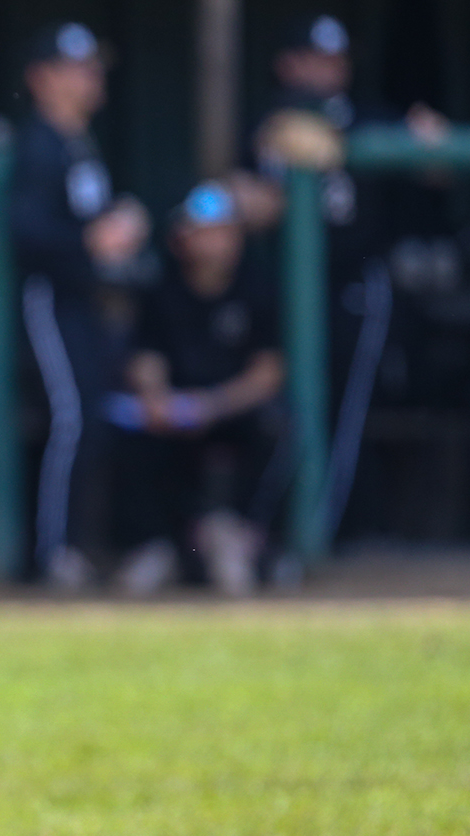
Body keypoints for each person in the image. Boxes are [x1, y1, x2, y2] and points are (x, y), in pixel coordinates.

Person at [230, 14, 449, 545]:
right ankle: (262, 529)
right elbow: (237, 200)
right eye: (314, 59)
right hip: (285, 288)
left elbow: (436, 171)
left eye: (335, 60)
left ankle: (310, 538)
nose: (326, 71)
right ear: (288, 65)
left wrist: (431, 142)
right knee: (286, 408)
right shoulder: (266, 120)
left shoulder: (367, 116)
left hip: (357, 285)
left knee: (341, 411)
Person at [9, 22, 149, 590]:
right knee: (69, 418)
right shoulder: (37, 142)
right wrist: (93, 240)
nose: (89, 79)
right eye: (75, 69)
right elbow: (28, 231)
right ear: (41, 79)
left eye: (93, 68)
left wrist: (120, 225)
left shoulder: (78, 143)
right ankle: (52, 552)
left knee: (94, 416)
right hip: (48, 299)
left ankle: (82, 544)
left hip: (86, 300)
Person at [110, 183, 283, 596]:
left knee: (277, 425)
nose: (215, 242)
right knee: (133, 434)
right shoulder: (162, 288)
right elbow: (146, 358)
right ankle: (159, 547)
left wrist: (215, 404)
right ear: (182, 238)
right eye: (204, 231)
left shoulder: (257, 284)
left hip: (232, 406)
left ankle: (243, 537)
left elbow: (268, 373)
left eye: (225, 231)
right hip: (177, 409)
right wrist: (156, 398)